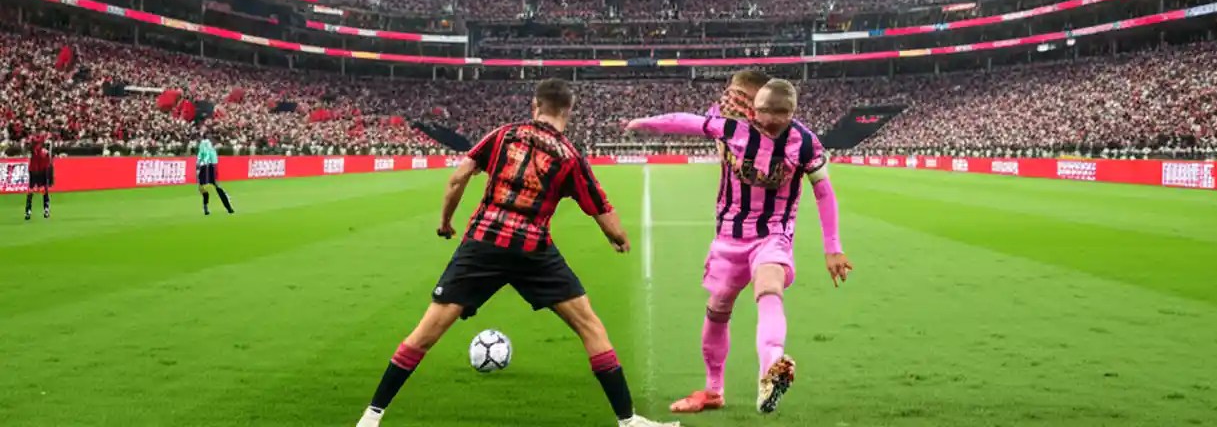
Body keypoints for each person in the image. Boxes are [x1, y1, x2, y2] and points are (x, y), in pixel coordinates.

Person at [355, 79, 678, 427]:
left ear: (534, 105)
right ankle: (628, 421)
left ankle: (371, 417)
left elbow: (458, 177)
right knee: (590, 327)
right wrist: (617, 237)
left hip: (483, 244)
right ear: (567, 112)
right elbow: (604, 212)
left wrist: (446, 221)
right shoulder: (570, 156)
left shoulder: (504, 135)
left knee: (426, 332)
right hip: (533, 251)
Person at [625, 78, 853, 415]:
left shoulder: (805, 143)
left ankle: (771, 371)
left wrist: (832, 247)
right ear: (754, 109)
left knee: (769, 287)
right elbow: (687, 122)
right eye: (763, 112)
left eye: (779, 114)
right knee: (717, 310)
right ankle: (714, 390)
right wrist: (646, 122)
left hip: (772, 234)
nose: (770, 120)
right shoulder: (733, 129)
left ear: (792, 112)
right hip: (729, 239)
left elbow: (824, 191)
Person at [196, 135, 234, 216]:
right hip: (211, 167)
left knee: (201, 188)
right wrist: (215, 173)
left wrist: (197, 170)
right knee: (217, 186)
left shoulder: (202, 146)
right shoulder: (211, 149)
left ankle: (205, 206)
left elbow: (199, 159)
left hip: (203, 167)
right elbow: (214, 161)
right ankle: (229, 208)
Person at [24, 135, 53, 221]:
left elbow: (48, 161)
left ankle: (29, 211)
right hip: (38, 171)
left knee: (34, 191)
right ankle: (45, 210)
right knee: (41, 190)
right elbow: (48, 162)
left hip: (37, 171)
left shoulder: (35, 150)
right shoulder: (39, 150)